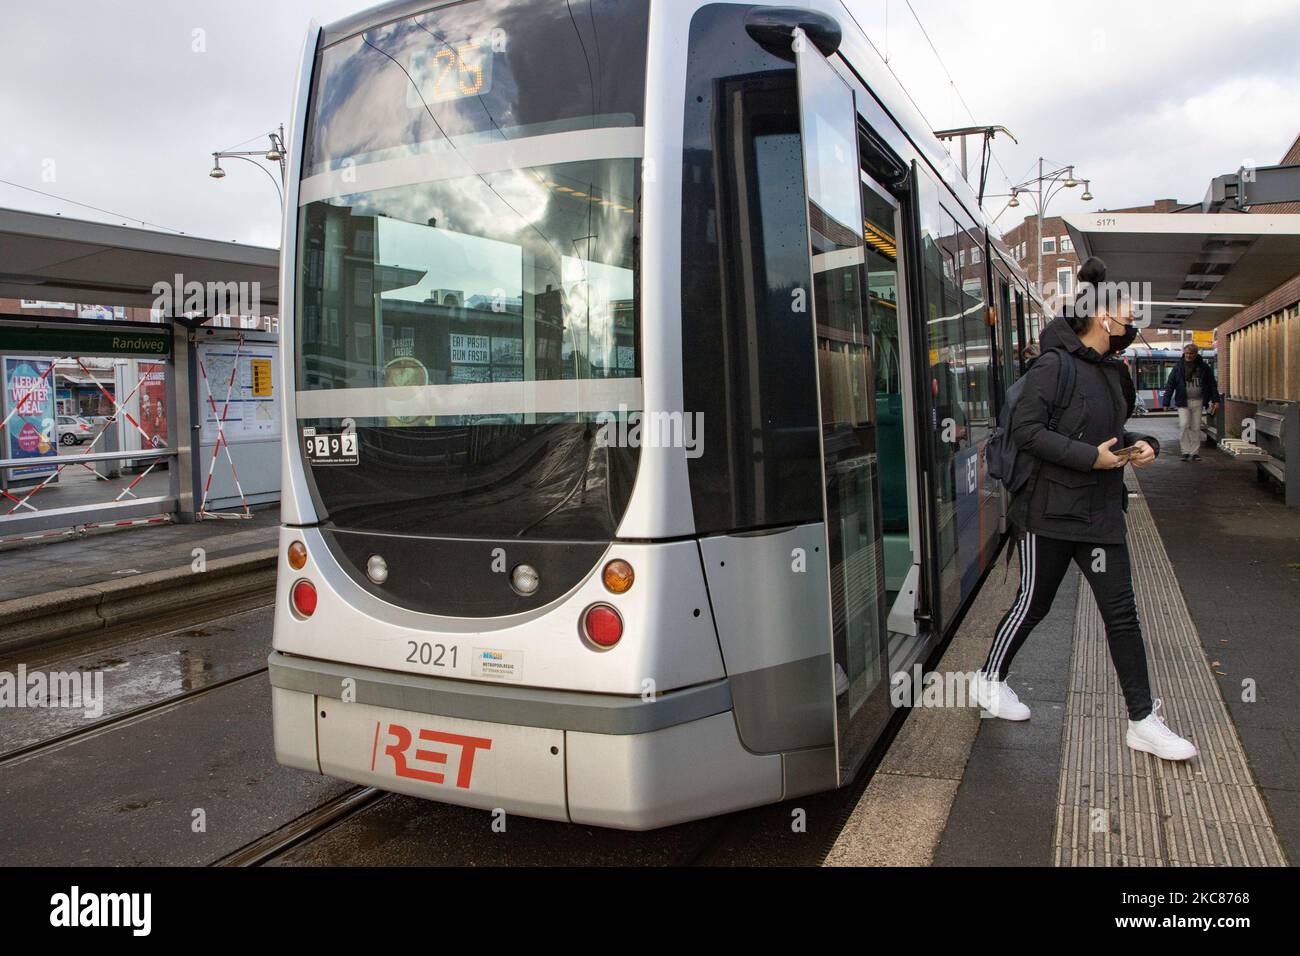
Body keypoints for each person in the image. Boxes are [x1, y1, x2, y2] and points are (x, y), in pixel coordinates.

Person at [973, 257, 1197, 761]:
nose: (1133, 321)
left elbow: (1110, 432)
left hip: (1099, 512)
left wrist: (1141, 444)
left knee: (1122, 615)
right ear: (1103, 317)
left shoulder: (1115, 374)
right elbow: (1027, 433)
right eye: (1129, 312)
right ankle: (988, 680)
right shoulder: (1053, 366)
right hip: (1047, 513)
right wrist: (1088, 457)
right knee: (1034, 603)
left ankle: (1142, 720)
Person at [1162, 343, 1220, 461]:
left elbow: (1212, 384)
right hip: (1183, 401)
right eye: (1187, 353)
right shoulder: (1178, 367)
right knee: (1184, 425)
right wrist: (1166, 402)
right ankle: (1185, 451)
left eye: (1191, 354)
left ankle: (1194, 452)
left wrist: (1216, 400)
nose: (1188, 356)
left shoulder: (1204, 367)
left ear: (1195, 354)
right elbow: (1170, 385)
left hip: (1198, 401)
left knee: (1195, 427)